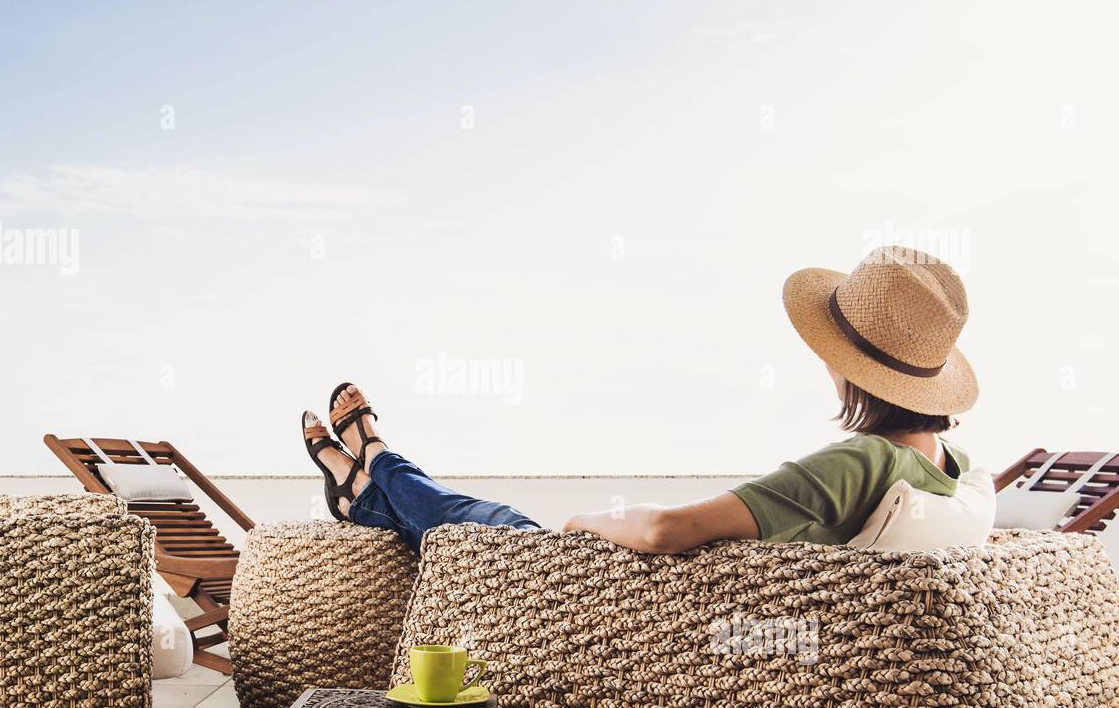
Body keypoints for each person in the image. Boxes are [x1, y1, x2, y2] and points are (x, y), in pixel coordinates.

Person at [301, 247, 977, 554]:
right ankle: (359, 484)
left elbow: (664, 531)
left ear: (847, 367)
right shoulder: (952, 470)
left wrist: (587, 523)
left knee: (473, 522)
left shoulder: (857, 466)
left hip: (624, 604)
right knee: (477, 516)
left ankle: (374, 461)